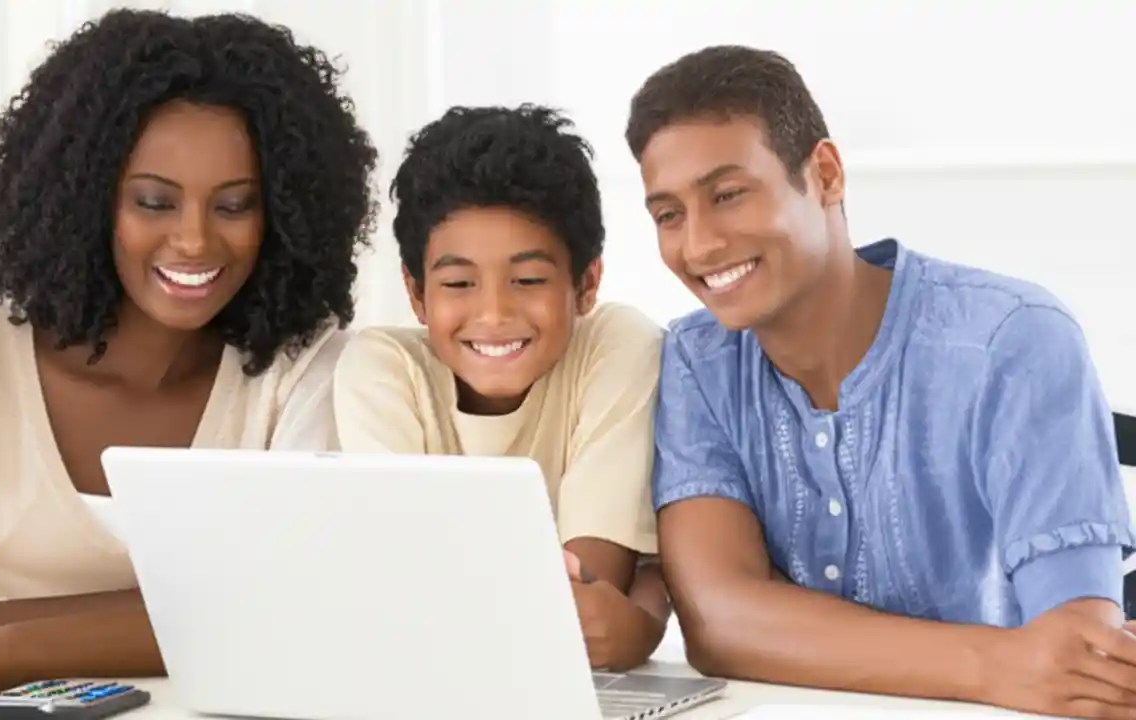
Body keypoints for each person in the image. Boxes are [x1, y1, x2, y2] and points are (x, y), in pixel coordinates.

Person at [0, 9, 376, 710]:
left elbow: (299, 612)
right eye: (154, 201)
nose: (193, 241)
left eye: (234, 205)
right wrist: (196, 615)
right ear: (85, 198)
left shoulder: (305, 367)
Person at [630, 45, 1136, 718]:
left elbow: (1080, 662)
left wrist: (784, 624)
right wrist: (995, 661)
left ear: (826, 175)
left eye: (727, 195)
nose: (697, 246)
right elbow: (721, 622)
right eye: (668, 215)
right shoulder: (696, 362)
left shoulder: (1014, 340)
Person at [332, 105, 669, 671]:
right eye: (459, 283)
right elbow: (402, 589)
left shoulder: (616, 344)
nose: (492, 314)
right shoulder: (382, 368)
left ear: (586, 284)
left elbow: (585, 595)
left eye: (529, 280)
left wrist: (639, 609)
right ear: (417, 295)